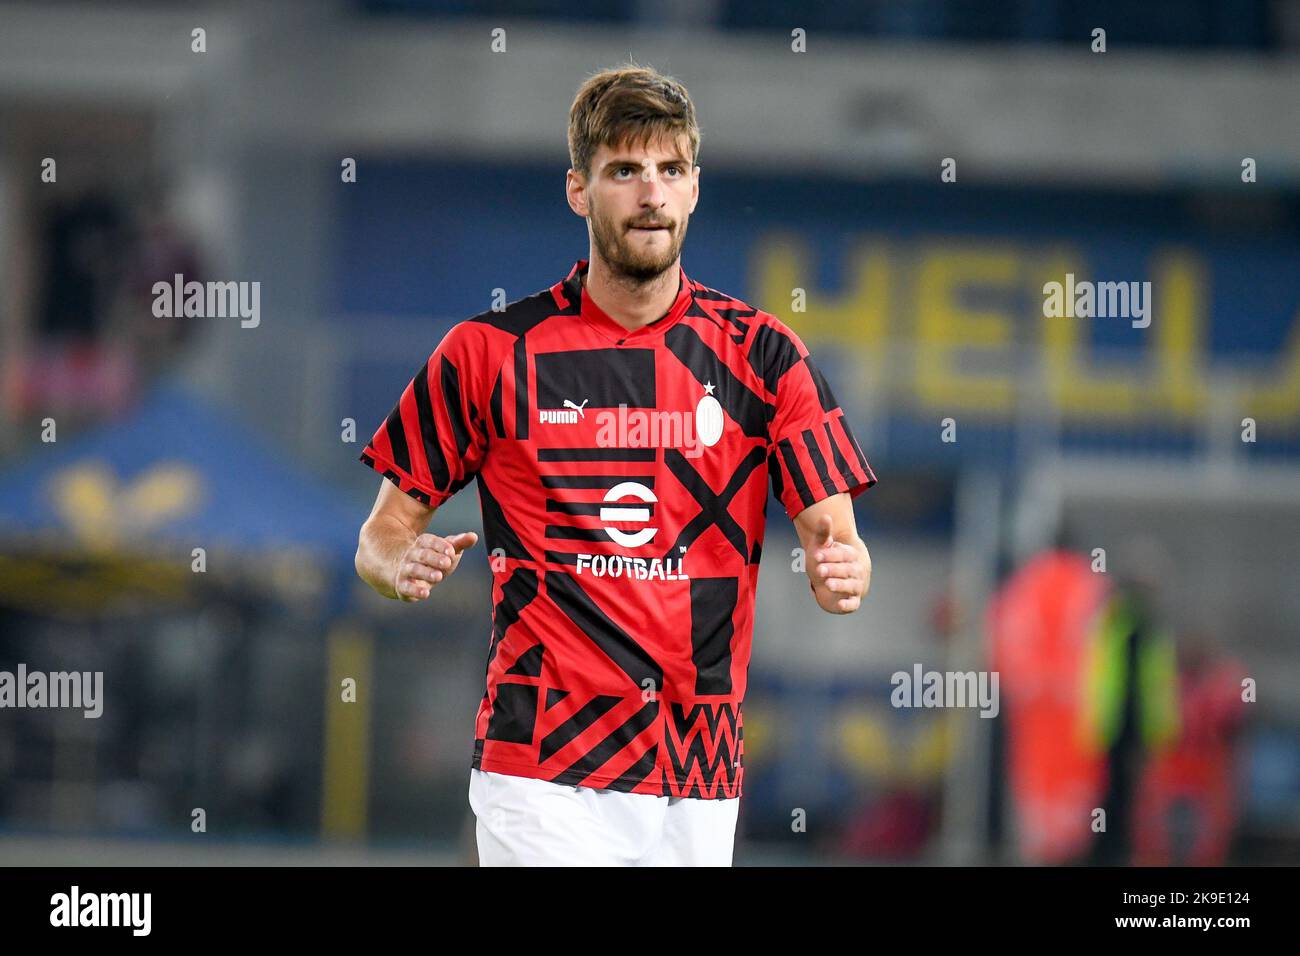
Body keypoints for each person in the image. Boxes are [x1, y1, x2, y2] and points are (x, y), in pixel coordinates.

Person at [354, 63, 877, 866]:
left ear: (695, 189)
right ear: (578, 190)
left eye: (670, 171)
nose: (650, 194)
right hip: (540, 763)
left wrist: (844, 569)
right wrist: (397, 564)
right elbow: (381, 534)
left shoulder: (766, 358)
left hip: (696, 773)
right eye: (624, 170)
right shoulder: (488, 354)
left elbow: (835, 534)